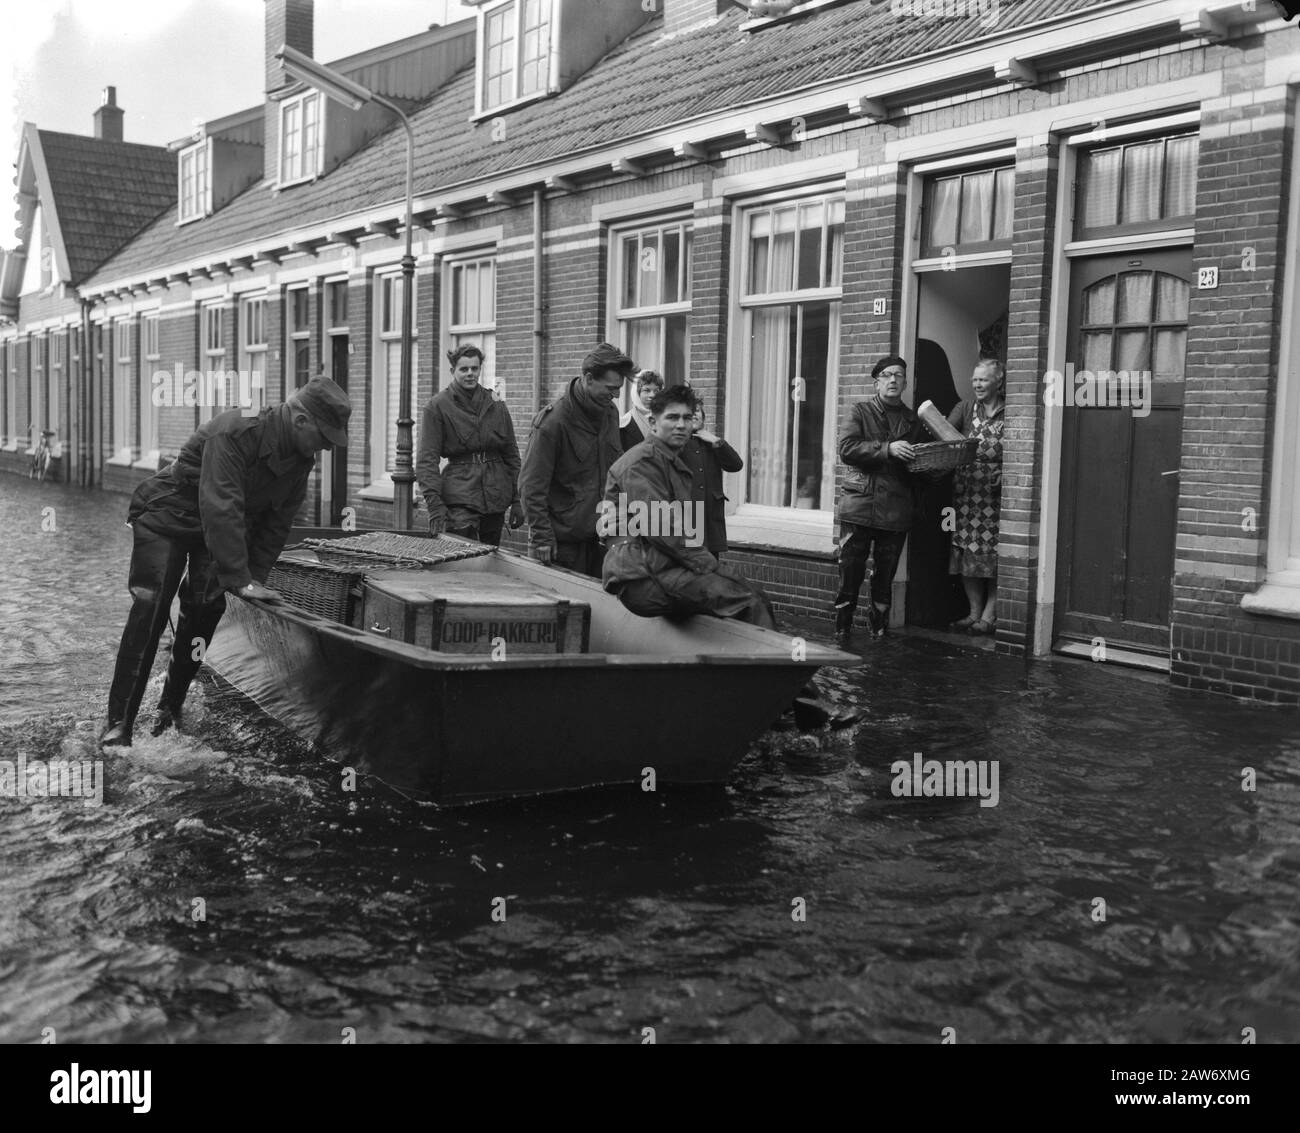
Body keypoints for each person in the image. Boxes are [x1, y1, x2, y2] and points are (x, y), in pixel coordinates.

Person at [100, 377, 351, 747]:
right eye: (325, 435)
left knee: (205, 610)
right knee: (150, 609)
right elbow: (221, 506)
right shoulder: (236, 431)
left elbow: (274, 526)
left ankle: (168, 712)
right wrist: (239, 576)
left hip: (217, 531)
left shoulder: (300, 462)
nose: (329, 446)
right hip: (169, 515)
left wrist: (255, 580)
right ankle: (118, 725)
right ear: (300, 420)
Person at [601, 384, 776, 628]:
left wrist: (710, 565)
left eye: (687, 418)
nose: (682, 425)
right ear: (653, 422)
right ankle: (770, 665)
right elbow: (662, 528)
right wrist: (707, 564)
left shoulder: (671, 461)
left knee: (755, 594)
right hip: (640, 576)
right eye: (672, 418)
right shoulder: (642, 463)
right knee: (748, 602)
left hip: (663, 566)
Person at [833, 355, 933, 645]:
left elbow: (918, 468)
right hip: (859, 507)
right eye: (887, 375)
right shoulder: (859, 411)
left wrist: (932, 468)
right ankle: (842, 632)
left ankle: (878, 633)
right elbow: (847, 449)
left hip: (896, 509)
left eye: (899, 376)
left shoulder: (913, 420)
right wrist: (888, 449)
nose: (893, 380)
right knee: (849, 573)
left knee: (884, 577)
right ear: (877, 381)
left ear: (905, 382)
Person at [519, 342, 630, 577]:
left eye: (619, 388)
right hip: (561, 545)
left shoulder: (610, 413)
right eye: (611, 387)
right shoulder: (553, 422)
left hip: (602, 539)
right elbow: (531, 487)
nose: (617, 395)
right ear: (589, 379)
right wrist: (541, 538)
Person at [417, 345, 523, 546]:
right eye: (464, 369)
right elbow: (426, 461)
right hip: (460, 496)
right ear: (452, 371)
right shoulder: (437, 406)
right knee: (462, 560)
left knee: (490, 560)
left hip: (495, 495)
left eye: (474, 369)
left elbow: (511, 454)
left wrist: (518, 499)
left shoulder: (496, 402)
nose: (470, 374)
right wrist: (434, 505)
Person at [946, 359, 1005, 634]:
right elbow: (944, 436)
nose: (977, 384)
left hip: (996, 499)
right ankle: (973, 613)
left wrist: (1007, 472)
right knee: (967, 553)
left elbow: (1025, 450)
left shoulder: (1013, 411)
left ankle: (989, 616)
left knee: (993, 556)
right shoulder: (966, 409)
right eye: (975, 379)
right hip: (967, 493)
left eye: (983, 379)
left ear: (998, 381)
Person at [679, 394, 743, 558]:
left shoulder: (712, 444)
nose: (694, 414)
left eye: (698, 411)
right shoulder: (676, 443)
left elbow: (736, 465)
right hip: (687, 519)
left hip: (710, 519)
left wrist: (716, 441)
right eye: (690, 411)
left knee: (711, 567)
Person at [619, 368, 664, 452]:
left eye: (656, 391)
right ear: (637, 393)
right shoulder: (624, 424)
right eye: (646, 390)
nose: (652, 395)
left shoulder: (665, 420)